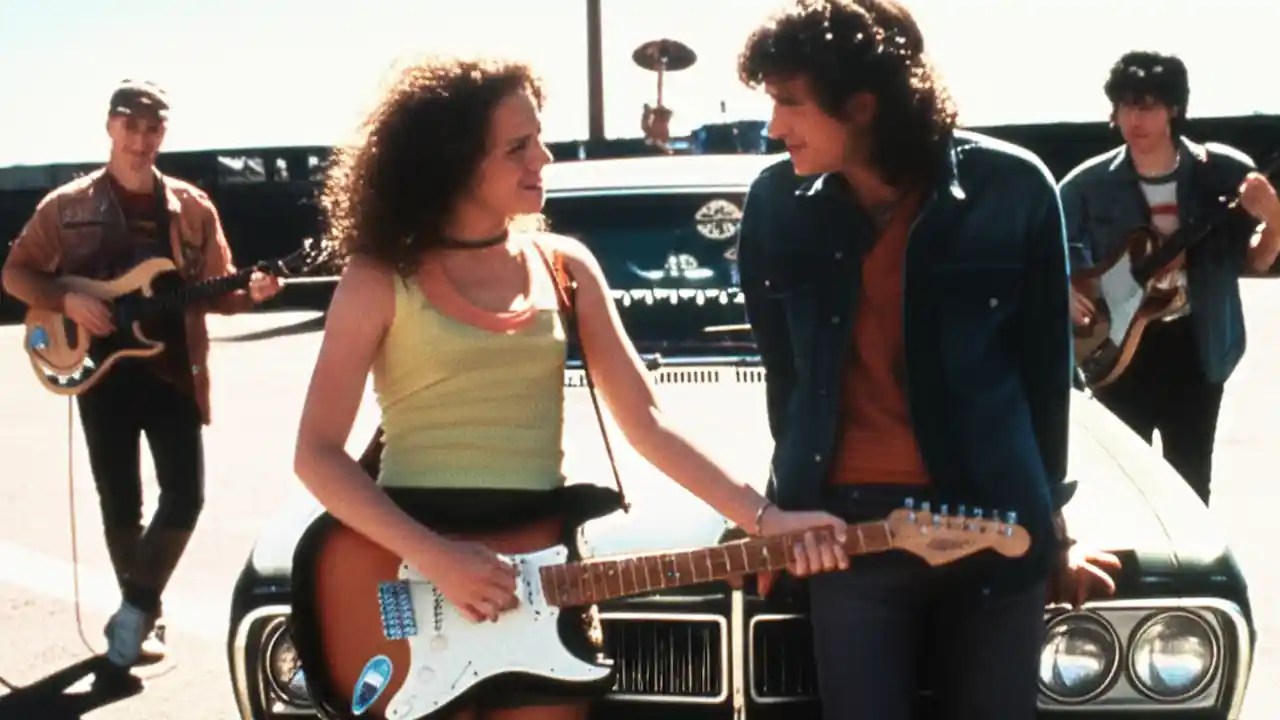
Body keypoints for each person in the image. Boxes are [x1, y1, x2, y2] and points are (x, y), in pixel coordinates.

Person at [291, 55, 848, 720]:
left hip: (541, 573)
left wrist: (763, 518)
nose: (544, 158)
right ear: (453, 161)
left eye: (539, 138)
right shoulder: (379, 277)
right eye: (517, 147)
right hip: (410, 569)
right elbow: (316, 454)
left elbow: (646, 422)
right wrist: (435, 558)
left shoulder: (566, 267)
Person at [733, 2, 1121, 718]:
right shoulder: (775, 203)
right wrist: (776, 514)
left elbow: (1045, 380)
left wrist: (1054, 531)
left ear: (862, 105)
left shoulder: (1014, 187)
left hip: (997, 522)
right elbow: (787, 384)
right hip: (848, 534)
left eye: (789, 103)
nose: (773, 127)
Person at [1, 79, 282, 672]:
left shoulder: (192, 207)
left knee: (186, 496)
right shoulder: (67, 206)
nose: (142, 138)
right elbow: (17, 275)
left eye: (154, 127)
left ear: (164, 133)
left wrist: (250, 293)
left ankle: (133, 608)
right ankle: (145, 618)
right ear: (110, 127)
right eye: (131, 124)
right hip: (100, 374)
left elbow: (219, 293)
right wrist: (66, 300)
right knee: (119, 501)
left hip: (175, 369)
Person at [1059, 50, 1280, 505]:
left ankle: (1193, 573)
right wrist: (1062, 290)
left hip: (1197, 347)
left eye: (1148, 106)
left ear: (1174, 109)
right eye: (1125, 106)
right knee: (1124, 487)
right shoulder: (1086, 186)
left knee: (1191, 482)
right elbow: (1044, 252)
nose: (1135, 119)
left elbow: (1256, 261)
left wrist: (1276, 220)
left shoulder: (1221, 173)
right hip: (1117, 351)